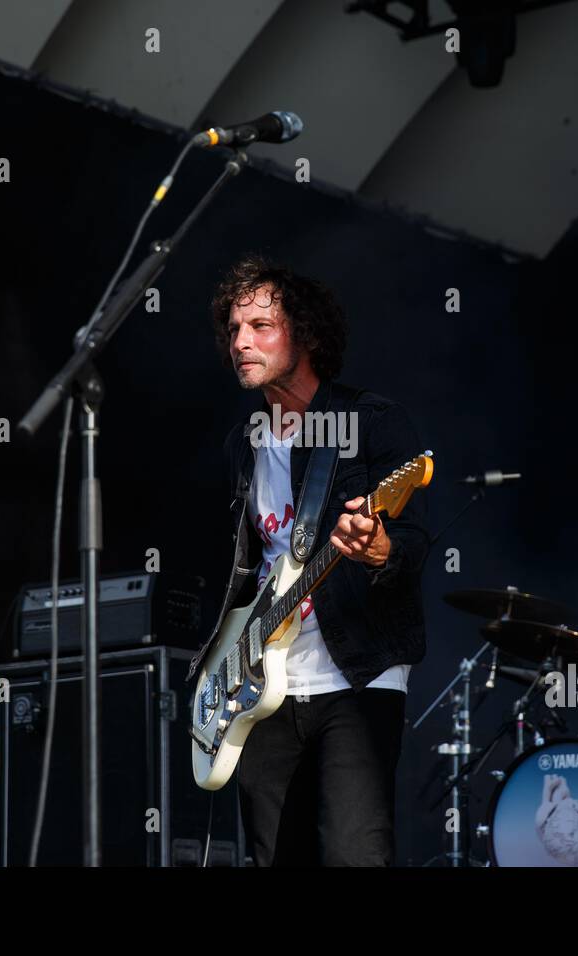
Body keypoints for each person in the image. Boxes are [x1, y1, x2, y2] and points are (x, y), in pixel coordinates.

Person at [192, 255, 429, 866]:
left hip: (354, 674)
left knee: (354, 855)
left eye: (261, 326)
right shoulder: (240, 444)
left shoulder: (371, 420)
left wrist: (379, 547)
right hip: (259, 686)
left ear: (308, 334)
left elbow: (414, 542)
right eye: (234, 328)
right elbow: (247, 569)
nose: (241, 341)